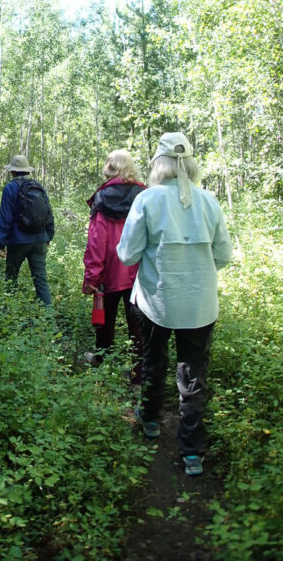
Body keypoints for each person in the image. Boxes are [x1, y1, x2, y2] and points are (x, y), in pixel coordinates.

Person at [117, 132, 232, 476]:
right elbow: (223, 255)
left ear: (159, 165)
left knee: (154, 359)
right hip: (199, 305)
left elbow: (127, 254)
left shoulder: (147, 201)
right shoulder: (209, 201)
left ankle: (150, 420)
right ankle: (192, 453)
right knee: (193, 374)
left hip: (156, 301)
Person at [82, 149, 146, 382]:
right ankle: (138, 373)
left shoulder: (102, 197)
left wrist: (92, 275)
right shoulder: (144, 195)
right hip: (139, 272)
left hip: (109, 271)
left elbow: (97, 241)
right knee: (138, 323)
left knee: (104, 318)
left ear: (110, 169)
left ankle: (102, 359)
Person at [0, 154, 55, 308]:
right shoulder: (38, 186)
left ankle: (9, 313)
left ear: (13, 172)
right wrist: (49, 235)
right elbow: (48, 212)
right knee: (40, 279)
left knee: (11, 277)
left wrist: (1, 243)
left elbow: (5, 217)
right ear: (27, 171)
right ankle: (49, 320)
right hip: (40, 240)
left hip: (17, 241)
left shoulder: (10, 187)